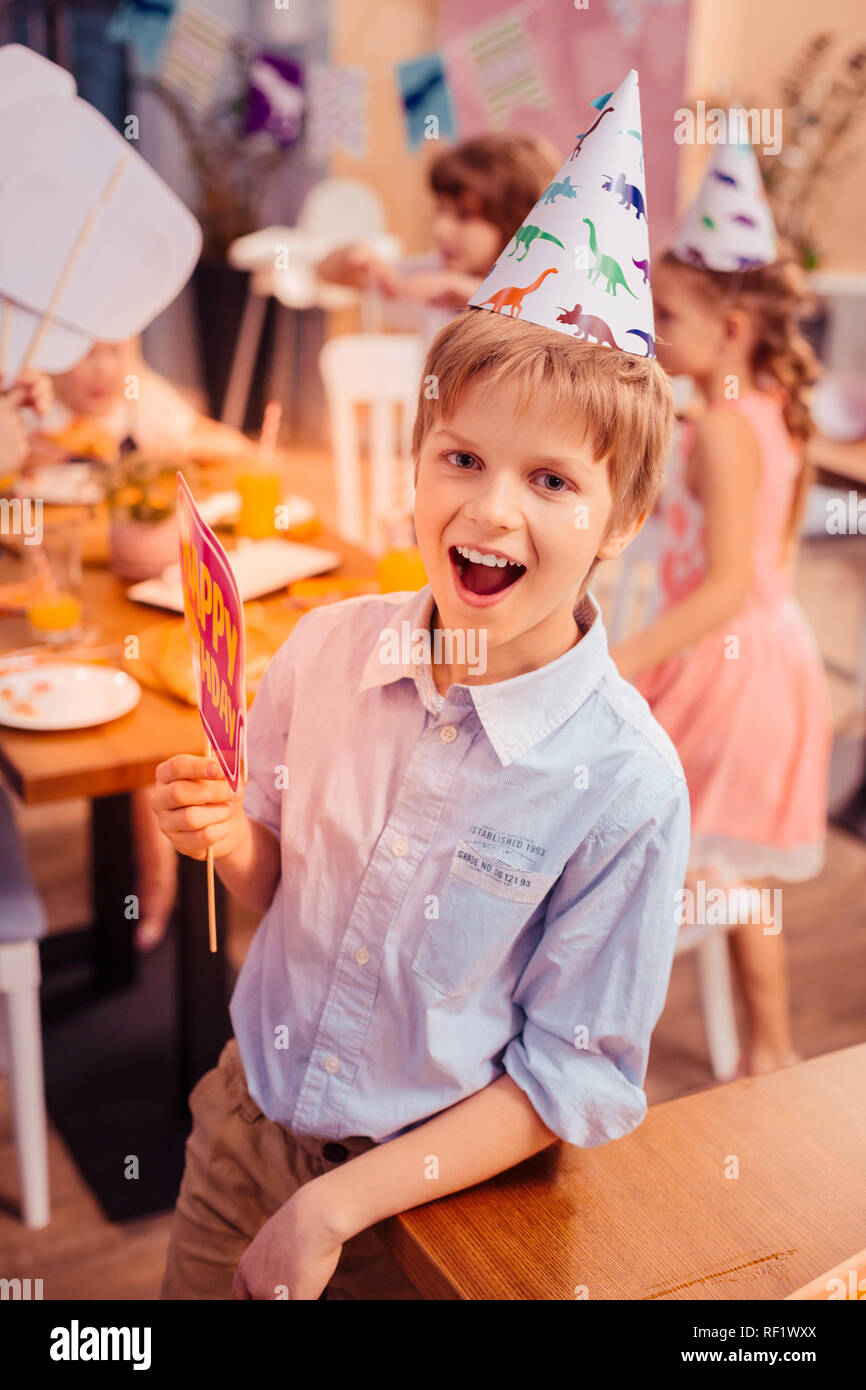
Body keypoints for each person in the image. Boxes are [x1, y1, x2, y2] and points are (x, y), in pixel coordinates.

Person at [152, 71, 692, 1301]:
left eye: (552, 481)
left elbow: (567, 1080)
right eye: (460, 456)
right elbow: (277, 888)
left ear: (624, 519)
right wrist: (231, 838)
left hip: (427, 1209)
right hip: (242, 1129)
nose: (490, 508)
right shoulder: (326, 652)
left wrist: (332, 1208)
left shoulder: (619, 783)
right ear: (415, 464)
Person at [609, 142, 832, 1078]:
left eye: (667, 316)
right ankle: (766, 1056)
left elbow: (731, 584)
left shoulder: (733, 431)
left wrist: (619, 662)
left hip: (732, 669)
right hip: (754, 657)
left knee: (700, 861)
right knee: (731, 875)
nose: (652, 330)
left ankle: (746, 1051)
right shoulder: (750, 410)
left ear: (734, 325)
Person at [316, 133, 560, 342]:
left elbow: (541, 315)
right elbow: (324, 272)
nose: (440, 229)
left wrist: (469, 291)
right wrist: (352, 259)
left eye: (464, 216)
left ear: (517, 224)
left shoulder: (548, 297)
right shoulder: (436, 277)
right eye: (441, 209)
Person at [23, 338, 253, 467]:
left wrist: (183, 446)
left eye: (115, 352)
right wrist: (18, 458)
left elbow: (236, 445)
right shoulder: (31, 405)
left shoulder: (140, 397)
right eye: (87, 354)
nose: (103, 370)